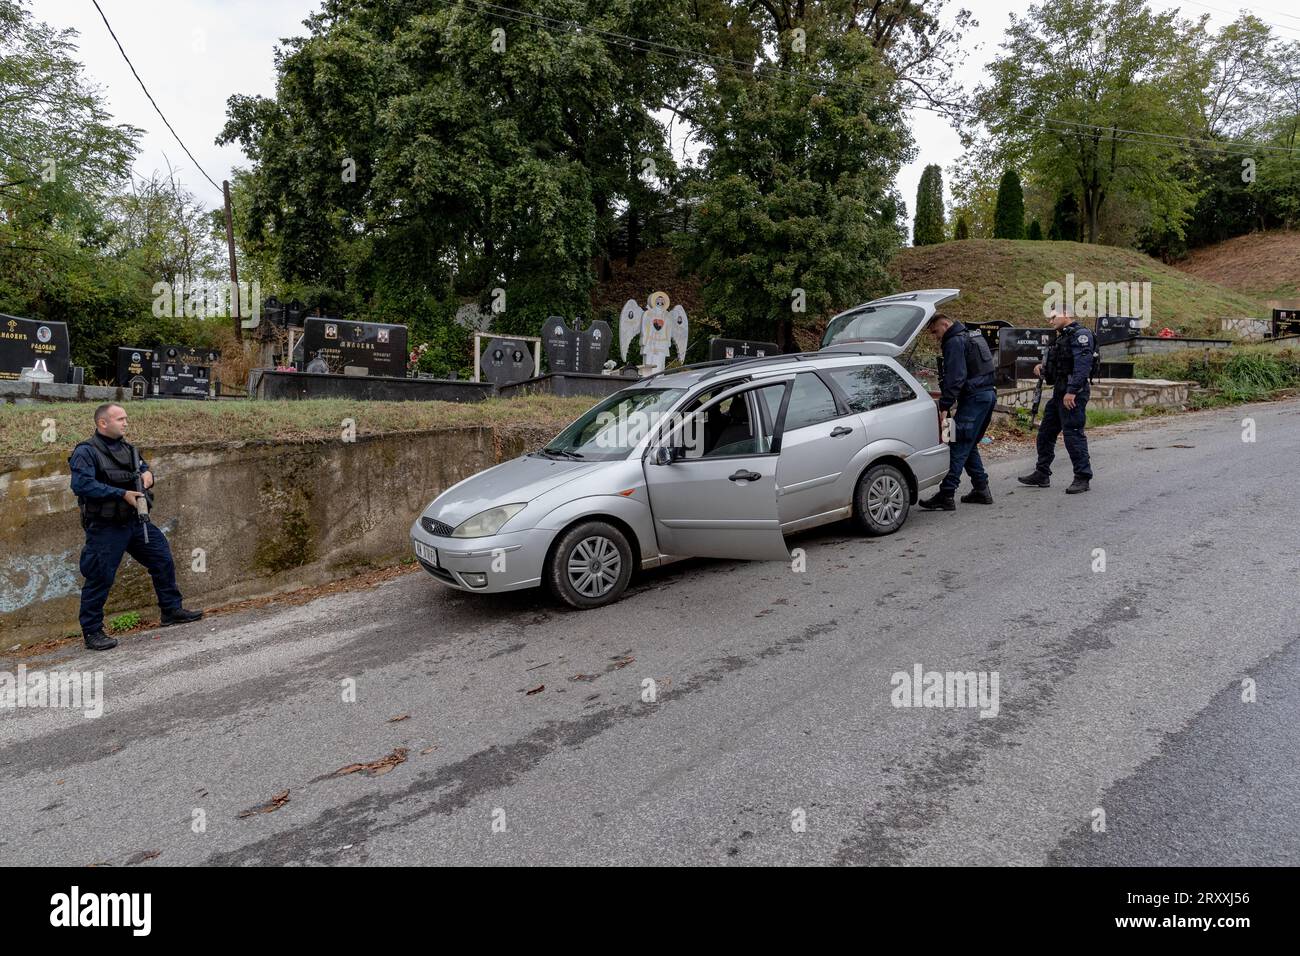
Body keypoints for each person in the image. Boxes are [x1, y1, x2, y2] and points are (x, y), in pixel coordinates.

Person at [69, 403, 202, 651]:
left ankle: (171, 610)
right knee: (100, 576)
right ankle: (92, 631)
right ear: (103, 423)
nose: (125, 423)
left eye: (126, 419)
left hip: (135, 522)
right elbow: (82, 486)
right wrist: (121, 494)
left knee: (161, 557)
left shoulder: (129, 450)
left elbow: (142, 469)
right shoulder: (86, 452)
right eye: (120, 419)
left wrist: (149, 475)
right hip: (106, 527)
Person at [919, 313, 998, 511]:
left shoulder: (954, 341)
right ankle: (981, 489)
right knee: (968, 444)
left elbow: (956, 377)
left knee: (957, 443)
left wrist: (944, 406)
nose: (936, 337)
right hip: (987, 396)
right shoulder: (974, 336)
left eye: (936, 332)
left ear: (945, 324)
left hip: (974, 399)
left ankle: (946, 494)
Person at [1019, 310, 1094, 494]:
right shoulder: (1063, 337)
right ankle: (1042, 473)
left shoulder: (1081, 335)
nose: (1050, 320)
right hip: (1060, 391)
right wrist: (1042, 367)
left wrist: (1072, 391)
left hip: (1072, 393)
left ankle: (1082, 477)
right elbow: (1061, 362)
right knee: (1045, 433)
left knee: (1073, 434)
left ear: (1066, 314)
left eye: (1054, 317)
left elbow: (1082, 366)